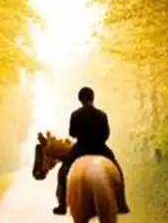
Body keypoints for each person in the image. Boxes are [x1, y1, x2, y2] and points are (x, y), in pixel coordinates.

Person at [54, 86, 130, 215]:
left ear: (80, 99)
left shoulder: (75, 114)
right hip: (100, 147)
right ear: (92, 98)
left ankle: (62, 205)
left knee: (63, 171)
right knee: (117, 170)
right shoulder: (102, 115)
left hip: (81, 148)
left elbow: (72, 133)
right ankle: (121, 203)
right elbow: (106, 134)